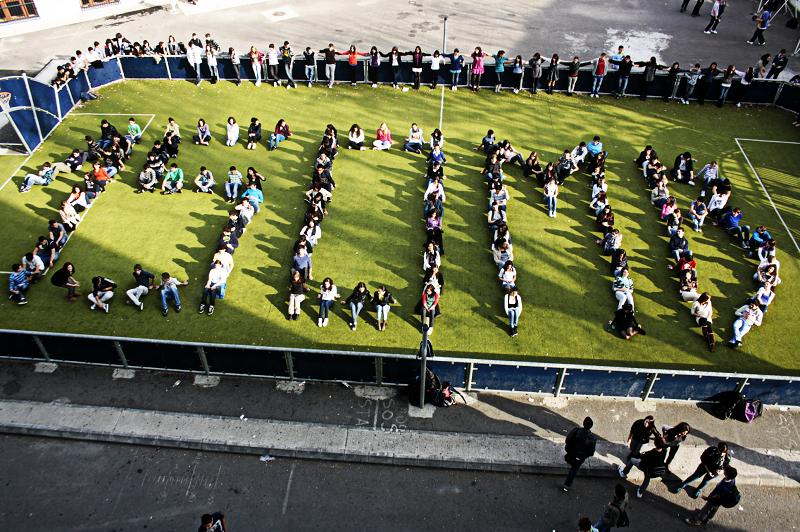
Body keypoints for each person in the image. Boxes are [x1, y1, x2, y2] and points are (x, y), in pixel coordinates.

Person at [562, 417, 597, 492]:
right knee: (574, 469)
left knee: (571, 460)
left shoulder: (576, 430)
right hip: (580, 457)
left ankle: (568, 460)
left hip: (571, 452)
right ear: (591, 426)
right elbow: (591, 452)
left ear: (583, 423)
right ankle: (566, 486)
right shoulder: (592, 438)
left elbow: (567, 440)